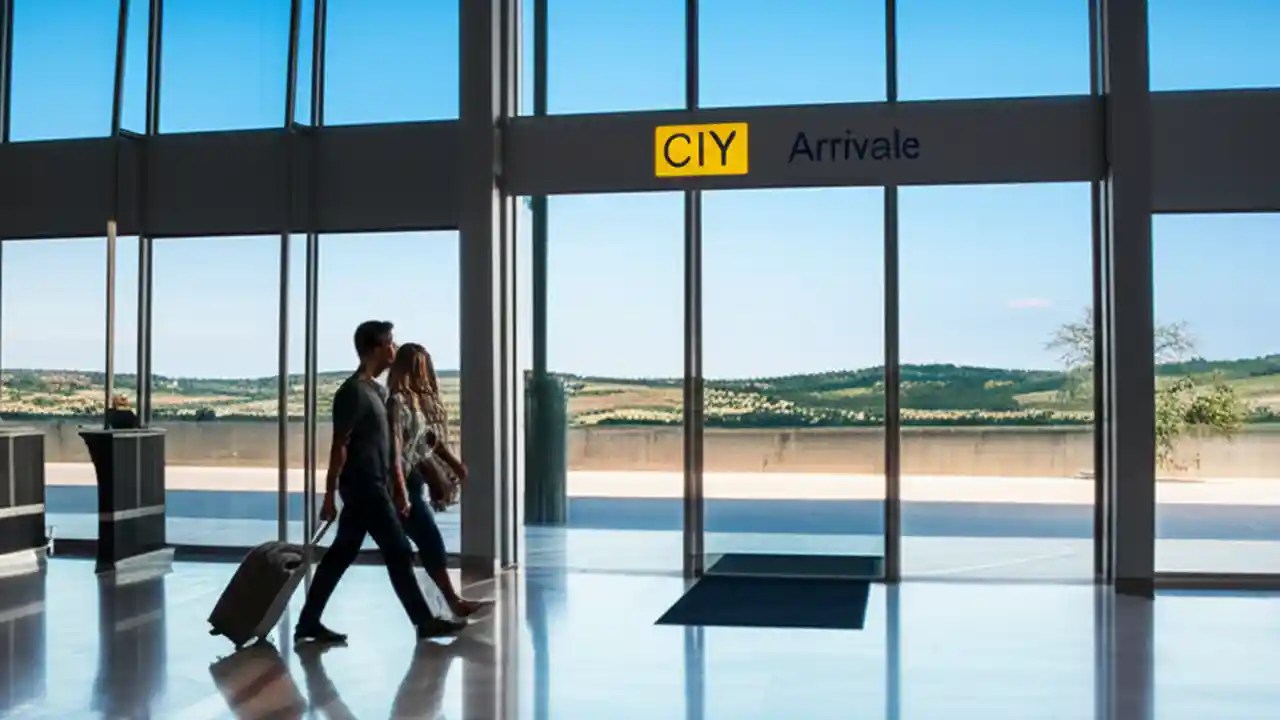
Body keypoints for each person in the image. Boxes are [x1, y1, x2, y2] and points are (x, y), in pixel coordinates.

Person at [294, 321, 464, 644]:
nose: (394, 349)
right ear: (374, 349)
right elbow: (339, 446)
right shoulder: (352, 394)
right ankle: (424, 621)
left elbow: (390, 448)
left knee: (341, 554)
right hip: (363, 487)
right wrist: (328, 496)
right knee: (398, 549)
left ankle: (308, 621)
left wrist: (398, 486)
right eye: (389, 343)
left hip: (374, 485)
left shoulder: (378, 392)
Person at [386, 343, 484, 618]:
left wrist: (452, 464)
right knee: (427, 541)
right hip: (402, 482)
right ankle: (447, 604)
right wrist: (401, 489)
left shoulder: (410, 402)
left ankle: (439, 608)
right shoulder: (396, 403)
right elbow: (397, 449)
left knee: (415, 546)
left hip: (409, 481)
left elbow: (427, 438)